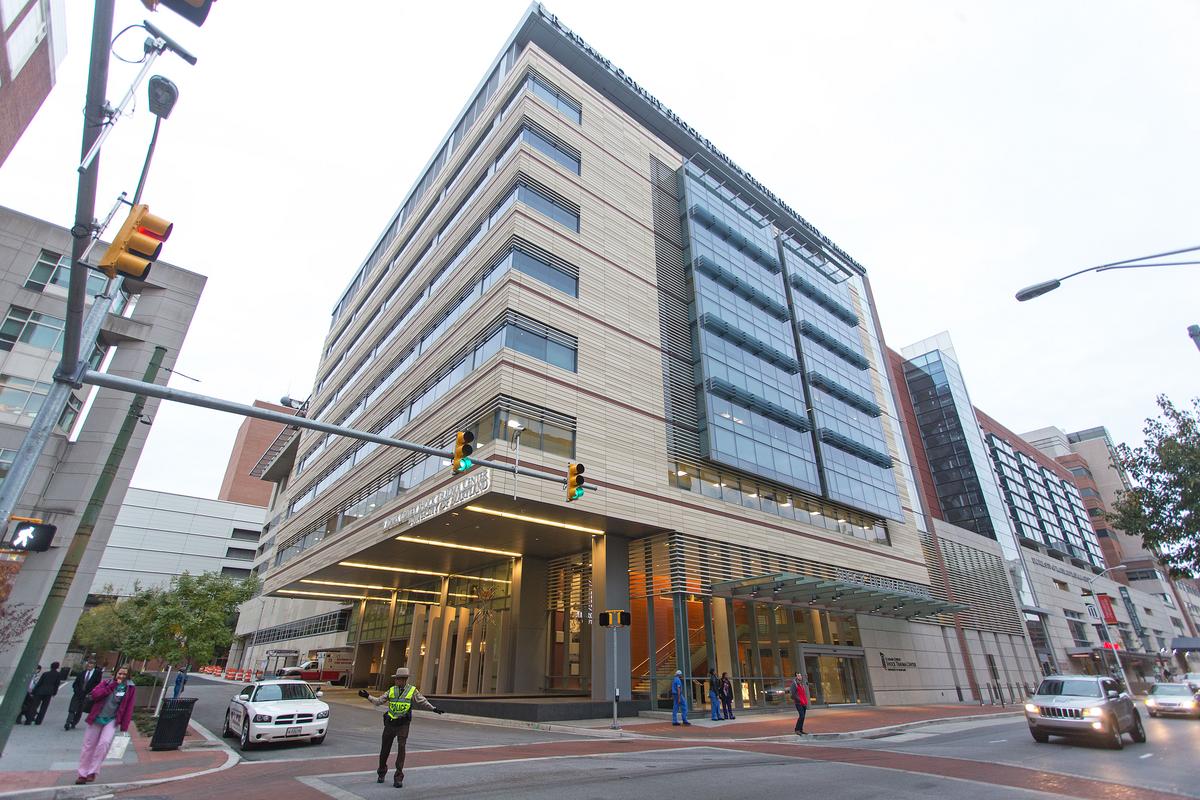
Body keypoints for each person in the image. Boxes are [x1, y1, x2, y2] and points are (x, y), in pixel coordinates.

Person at [359, 667, 445, 788]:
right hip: (390, 723)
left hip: (403, 724)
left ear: (404, 680)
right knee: (385, 749)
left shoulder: (412, 691)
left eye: (399, 679)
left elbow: (422, 701)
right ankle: (381, 772)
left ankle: (398, 776)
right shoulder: (391, 690)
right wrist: (367, 696)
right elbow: (379, 701)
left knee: (401, 748)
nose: (397, 681)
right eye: (396, 679)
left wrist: (434, 709)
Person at [76, 666, 135, 785]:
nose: (121, 676)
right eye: (120, 673)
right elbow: (95, 695)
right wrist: (112, 686)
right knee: (88, 746)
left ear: (128, 676)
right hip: (96, 717)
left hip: (112, 719)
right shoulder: (106, 683)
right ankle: (82, 773)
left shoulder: (130, 688)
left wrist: (124, 726)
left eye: (124, 674)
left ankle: (92, 771)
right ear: (116, 673)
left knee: (104, 744)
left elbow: (129, 707)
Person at [66, 660, 103, 730]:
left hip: (87, 695)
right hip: (78, 693)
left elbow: (97, 684)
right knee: (72, 708)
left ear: (94, 665)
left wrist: (91, 693)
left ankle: (74, 723)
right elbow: (75, 683)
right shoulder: (82, 673)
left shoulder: (97, 673)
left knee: (80, 710)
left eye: (91, 664)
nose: (89, 666)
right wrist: (76, 690)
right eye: (88, 664)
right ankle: (68, 722)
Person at [28, 660, 63, 725]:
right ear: (57, 667)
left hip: (40, 691)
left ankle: (29, 719)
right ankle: (38, 721)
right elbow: (56, 684)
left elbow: (39, 683)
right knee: (44, 707)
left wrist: (33, 691)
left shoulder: (45, 673)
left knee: (34, 705)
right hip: (49, 692)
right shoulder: (58, 675)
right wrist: (54, 692)